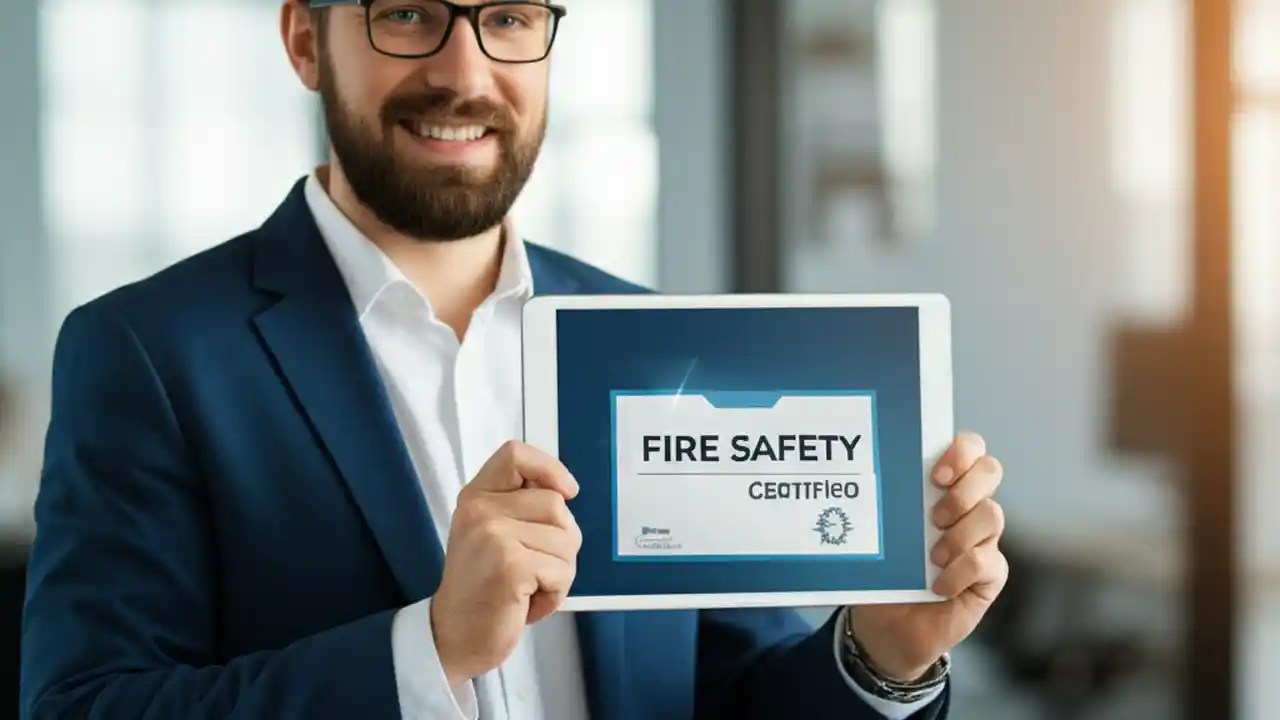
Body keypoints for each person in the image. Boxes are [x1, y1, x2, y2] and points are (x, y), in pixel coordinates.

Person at [19, 1, 1009, 718]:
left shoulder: (652, 343)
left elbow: (734, 695)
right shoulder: (148, 353)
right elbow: (86, 707)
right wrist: (430, 647)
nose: (463, 71)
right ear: (306, 40)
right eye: (406, 15)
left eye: (507, 18)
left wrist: (880, 655)